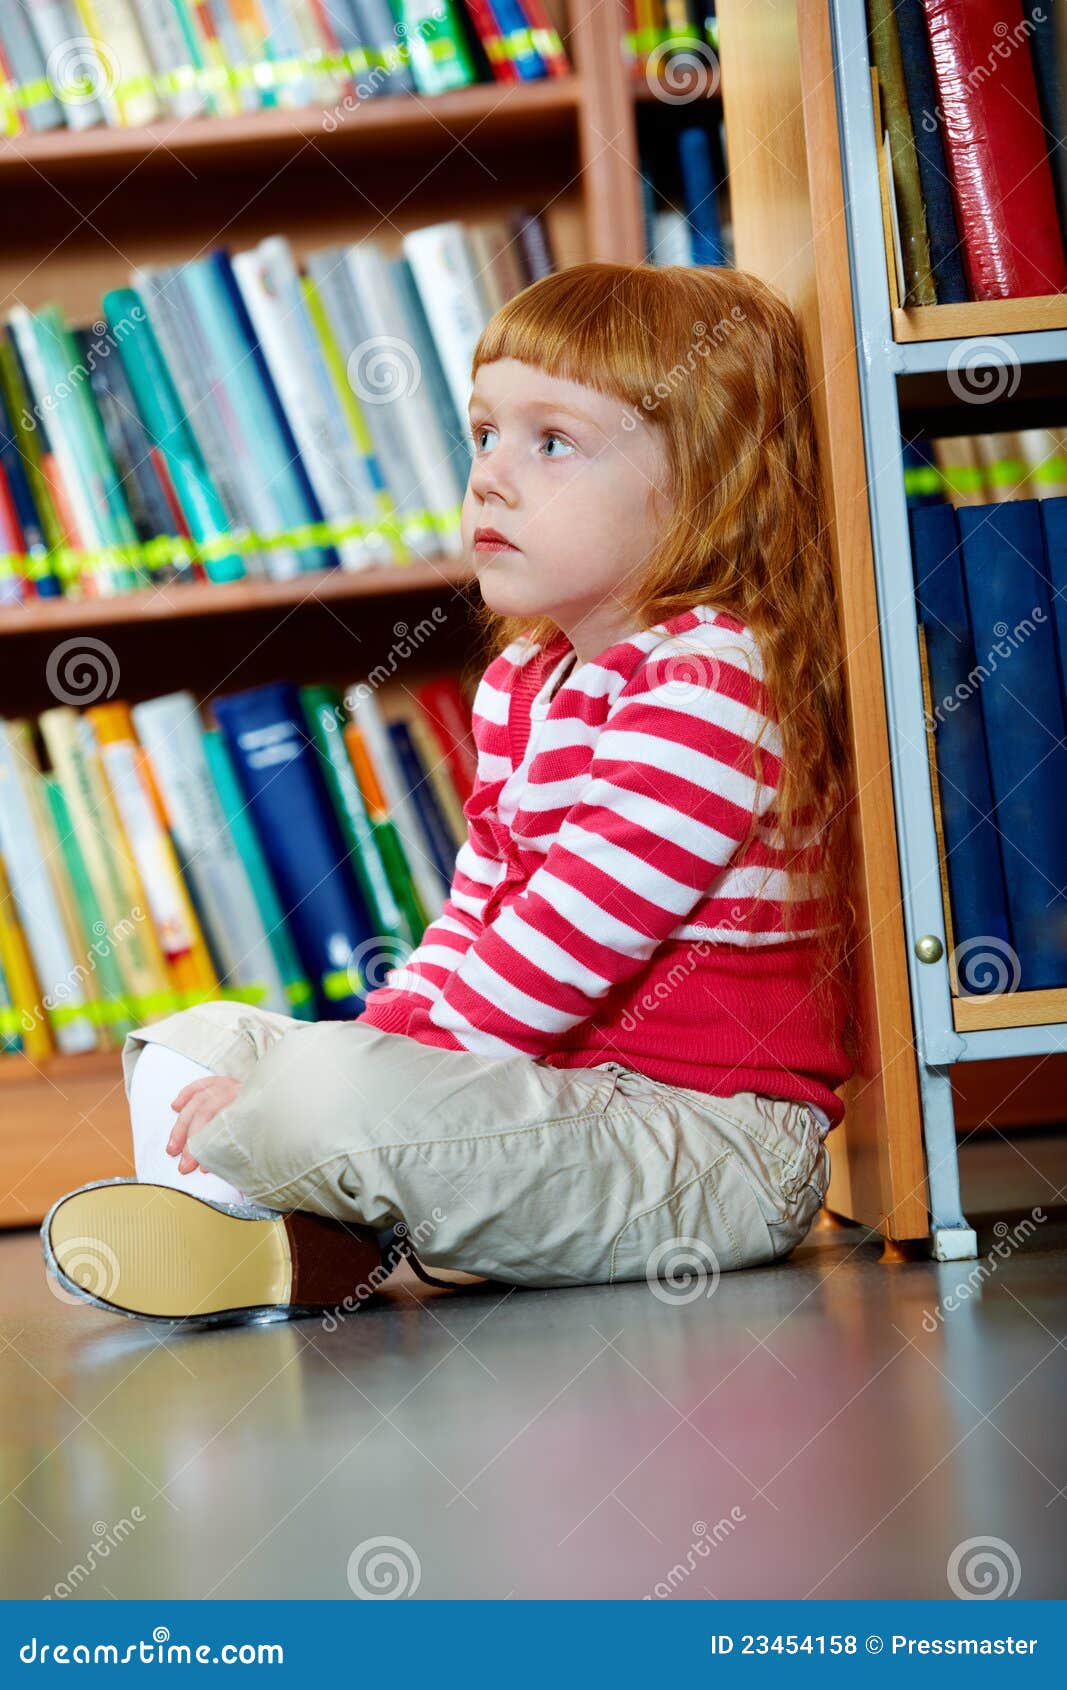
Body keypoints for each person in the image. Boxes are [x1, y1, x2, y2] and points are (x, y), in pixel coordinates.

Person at [41, 261, 858, 1327]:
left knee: (323, 1092)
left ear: (704, 478)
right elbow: (475, 920)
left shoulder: (709, 679)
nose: (489, 478)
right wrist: (366, 1043)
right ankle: (277, 1239)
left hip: (708, 1148)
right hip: (549, 1100)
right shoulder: (526, 683)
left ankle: (268, 1216)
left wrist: (352, 1075)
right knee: (190, 1042)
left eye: (550, 442)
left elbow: (562, 947)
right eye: (482, 435)